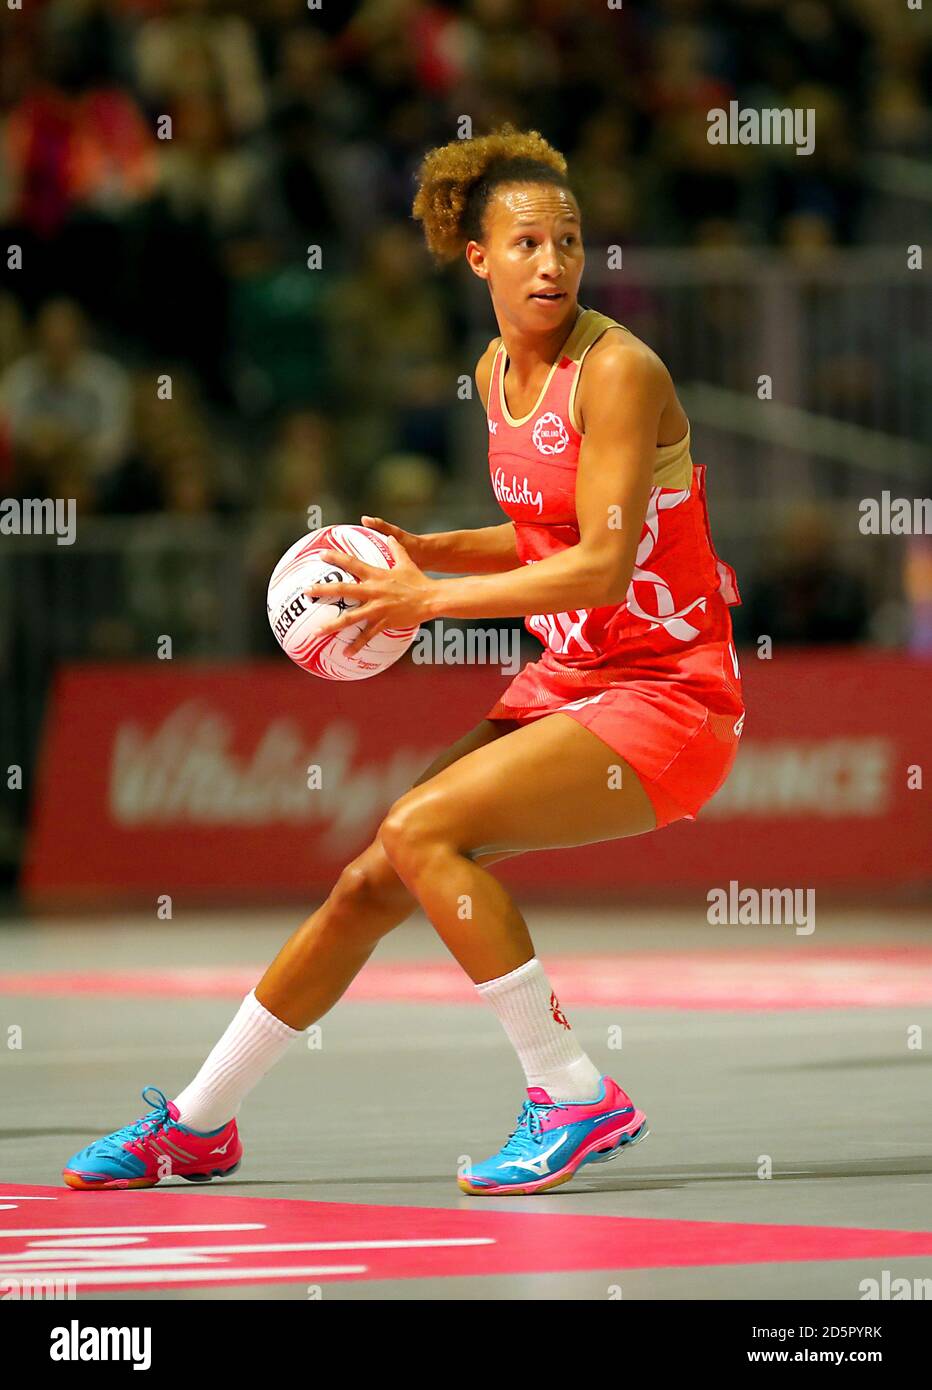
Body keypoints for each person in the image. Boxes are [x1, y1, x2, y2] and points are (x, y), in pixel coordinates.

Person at [63, 124, 744, 1197]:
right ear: (476, 257)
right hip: (570, 681)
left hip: (668, 696)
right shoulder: (493, 370)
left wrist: (430, 597)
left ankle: (571, 1093)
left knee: (420, 827)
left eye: (567, 240)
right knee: (368, 879)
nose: (552, 262)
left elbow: (602, 566)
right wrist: (428, 548)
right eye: (524, 243)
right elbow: (542, 531)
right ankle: (198, 1122)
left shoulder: (617, 372)